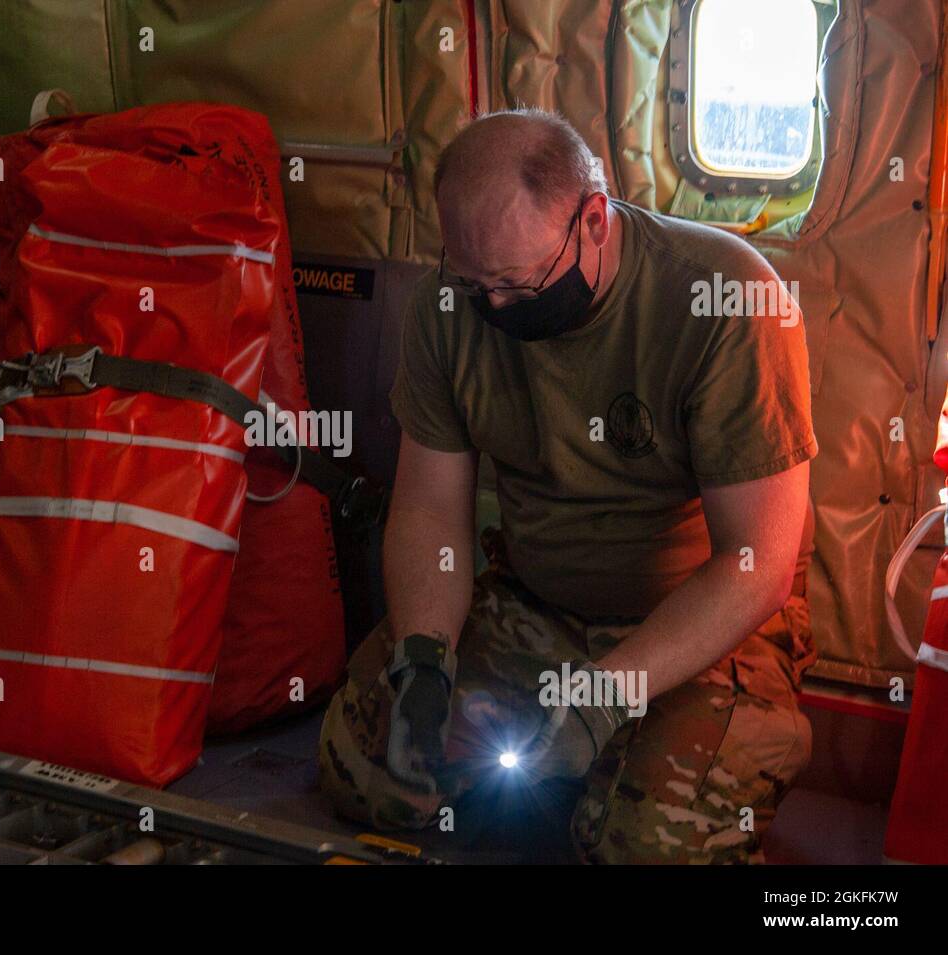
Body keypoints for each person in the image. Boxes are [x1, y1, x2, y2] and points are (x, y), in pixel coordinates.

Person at [317, 108, 817, 864]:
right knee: (366, 770)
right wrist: (424, 655)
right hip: (536, 605)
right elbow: (427, 510)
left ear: (592, 219)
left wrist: (602, 700)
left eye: (517, 285)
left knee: (643, 847)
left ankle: (606, 775)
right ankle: (576, 775)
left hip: (700, 631)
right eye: (474, 282)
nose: (495, 308)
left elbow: (760, 565)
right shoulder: (452, 307)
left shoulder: (726, 298)